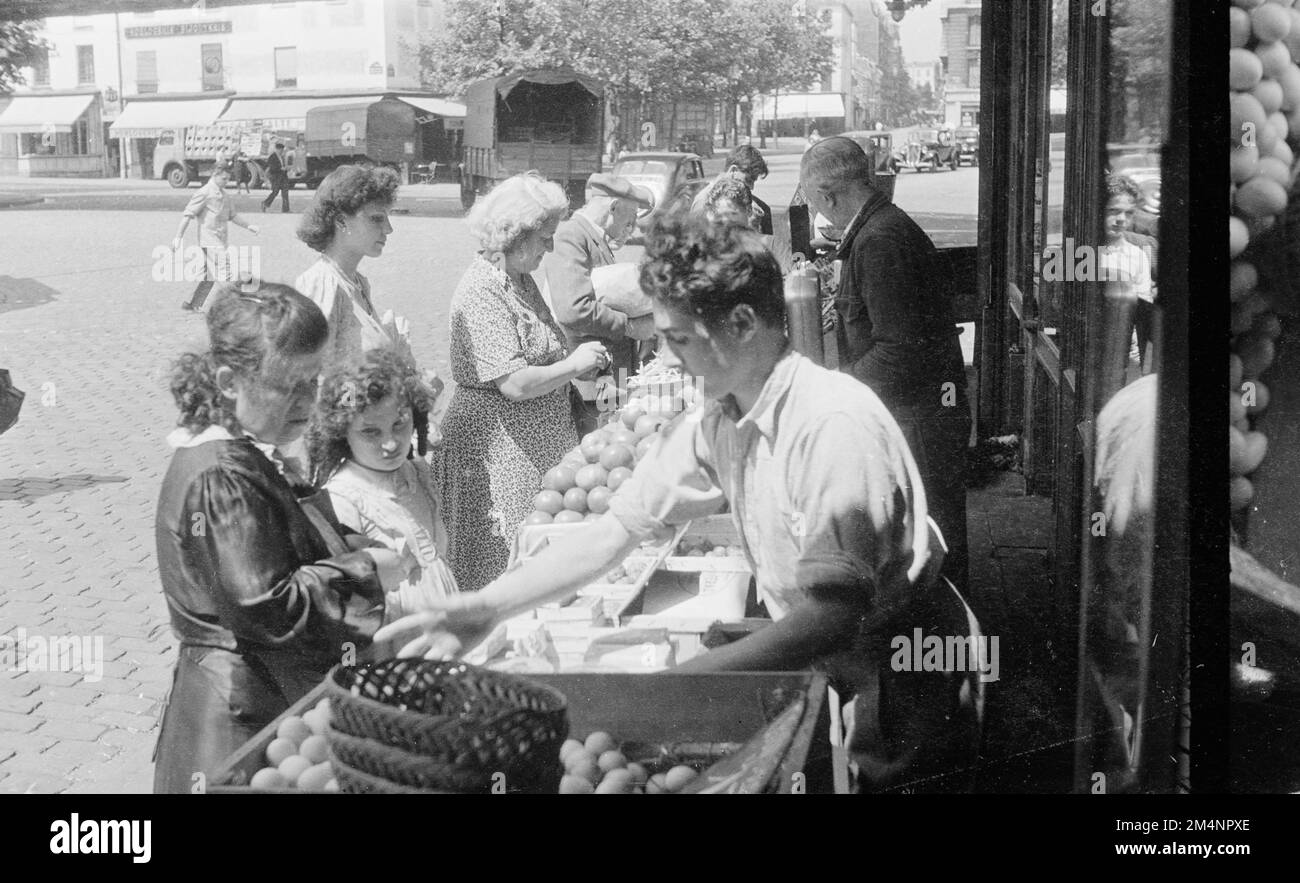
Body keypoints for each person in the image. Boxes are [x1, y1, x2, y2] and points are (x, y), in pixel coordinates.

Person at [379, 212, 983, 793]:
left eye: (678, 340)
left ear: (744, 323)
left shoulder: (830, 425)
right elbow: (614, 530)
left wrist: (671, 691)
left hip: (900, 673)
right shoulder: (726, 416)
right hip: (838, 661)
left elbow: (831, 615)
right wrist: (484, 607)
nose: (667, 358)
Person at [152, 283, 405, 794]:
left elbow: (276, 539)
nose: (307, 402)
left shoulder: (243, 451)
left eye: (315, 382)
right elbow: (269, 605)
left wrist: (339, 543)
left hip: (261, 698)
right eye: (288, 386)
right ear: (227, 382)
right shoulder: (219, 474)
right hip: (239, 717)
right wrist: (365, 572)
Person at [800, 136, 971, 596]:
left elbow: (898, 349)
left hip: (918, 423)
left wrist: (835, 393)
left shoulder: (880, 241)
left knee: (929, 551)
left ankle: (944, 656)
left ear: (827, 196)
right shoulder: (880, 229)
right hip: (921, 415)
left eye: (811, 199)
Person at [441, 172, 610, 592]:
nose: (550, 247)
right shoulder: (482, 289)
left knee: (532, 563)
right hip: (499, 454)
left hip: (529, 450)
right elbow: (513, 383)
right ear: (515, 235)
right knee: (502, 568)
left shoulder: (518, 280)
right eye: (544, 238)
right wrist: (574, 365)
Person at [306, 348, 457, 654]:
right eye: (370, 432)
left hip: (442, 615)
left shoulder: (417, 473)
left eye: (399, 425)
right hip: (395, 637)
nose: (390, 443)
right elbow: (349, 599)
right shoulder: (344, 497)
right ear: (342, 432)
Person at [542, 172, 657, 437]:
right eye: (629, 222)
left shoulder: (592, 238)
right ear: (613, 208)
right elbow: (573, 308)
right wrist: (629, 327)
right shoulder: (570, 236)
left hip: (607, 380)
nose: (630, 231)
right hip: (590, 383)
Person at [172, 163, 259, 313]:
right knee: (226, 273)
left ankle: (192, 303)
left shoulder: (224, 195)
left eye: (228, 179)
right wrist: (178, 237)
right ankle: (238, 302)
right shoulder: (204, 193)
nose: (227, 182)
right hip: (210, 242)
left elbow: (233, 216)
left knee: (209, 275)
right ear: (215, 175)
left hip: (220, 240)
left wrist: (249, 226)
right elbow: (188, 215)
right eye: (224, 178)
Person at [1100, 174, 1156, 374]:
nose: (1121, 220)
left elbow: (1140, 319)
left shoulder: (1137, 256)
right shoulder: (1078, 250)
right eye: (1113, 211)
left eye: (1129, 213)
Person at [262, 141, 291, 213]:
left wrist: (286, 168)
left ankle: (286, 209)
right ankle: (265, 203)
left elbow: (283, 165)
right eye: (280, 150)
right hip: (276, 177)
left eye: (282, 150)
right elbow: (271, 168)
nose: (281, 151)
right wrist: (280, 168)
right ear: (277, 149)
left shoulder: (282, 157)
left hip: (283, 177)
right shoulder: (272, 157)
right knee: (275, 192)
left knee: (285, 193)